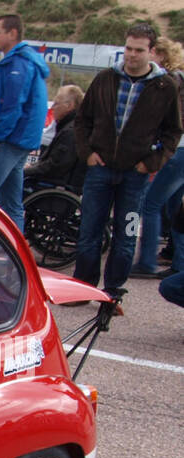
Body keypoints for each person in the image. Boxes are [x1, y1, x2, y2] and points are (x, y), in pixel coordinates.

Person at [74, 22, 183, 293]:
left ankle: (113, 291)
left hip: (136, 175)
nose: (132, 55)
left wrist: (152, 162)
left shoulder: (164, 87)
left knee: (127, 235)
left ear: (151, 51)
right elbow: (82, 120)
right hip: (100, 169)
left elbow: (173, 132)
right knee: (89, 231)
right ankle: (83, 286)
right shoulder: (105, 79)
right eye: (128, 48)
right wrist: (87, 152)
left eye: (138, 50)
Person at [0, 14, 50, 232]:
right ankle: (16, 249)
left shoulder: (18, 64)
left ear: (12, 33)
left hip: (9, 140)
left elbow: (12, 106)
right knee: (11, 202)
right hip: (19, 140)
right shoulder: (22, 62)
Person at [130, 37, 184, 277]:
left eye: (150, 52)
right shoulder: (180, 78)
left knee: (149, 204)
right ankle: (177, 258)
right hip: (181, 150)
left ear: (160, 55)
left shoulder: (168, 81)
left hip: (177, 150)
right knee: (174, 206)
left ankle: (147, 262)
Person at [23, 84, 86, 190]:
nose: (52, 107)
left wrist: (27, 170)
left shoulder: (70, 132)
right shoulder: (69, 127)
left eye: (56, 103)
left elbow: (54, 167)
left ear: (69, 106)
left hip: (55, 186)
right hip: (56, 181)